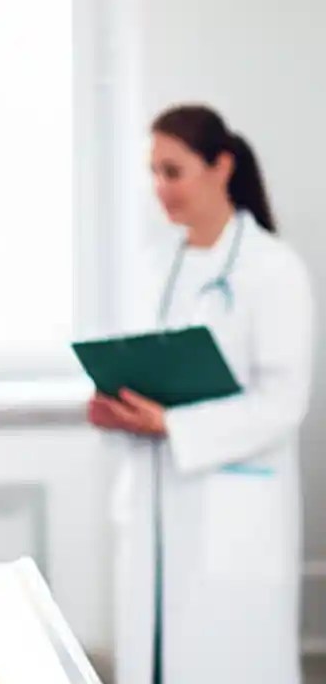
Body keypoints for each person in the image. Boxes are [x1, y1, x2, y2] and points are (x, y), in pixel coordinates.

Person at [87, 103, 315, 684]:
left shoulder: (272, 268)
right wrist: (117, 408)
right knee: (155, 654)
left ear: (221, 166)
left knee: (228, 656)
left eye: (173, 171)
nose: (160, 188)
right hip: (154, 497)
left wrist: (173, 425)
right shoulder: (156, 263)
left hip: (231, 504)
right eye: (154, 173)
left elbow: (284, 404)